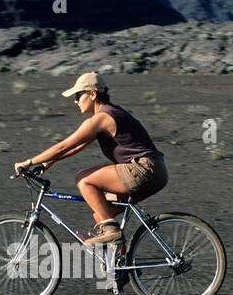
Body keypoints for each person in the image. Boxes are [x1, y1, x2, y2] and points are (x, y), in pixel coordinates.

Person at [14, 72, 168, 245]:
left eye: (78, 95)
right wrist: (46, 163)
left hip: (143, 170)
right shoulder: (112, 113)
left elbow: (63, 145)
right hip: (157, 171)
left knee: (84, 179)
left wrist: (28, 162)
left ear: (93, 94)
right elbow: (77, 146)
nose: (75, 100)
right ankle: (119, 266)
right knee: (102, 213)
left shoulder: (102, 118)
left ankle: (112, 231)